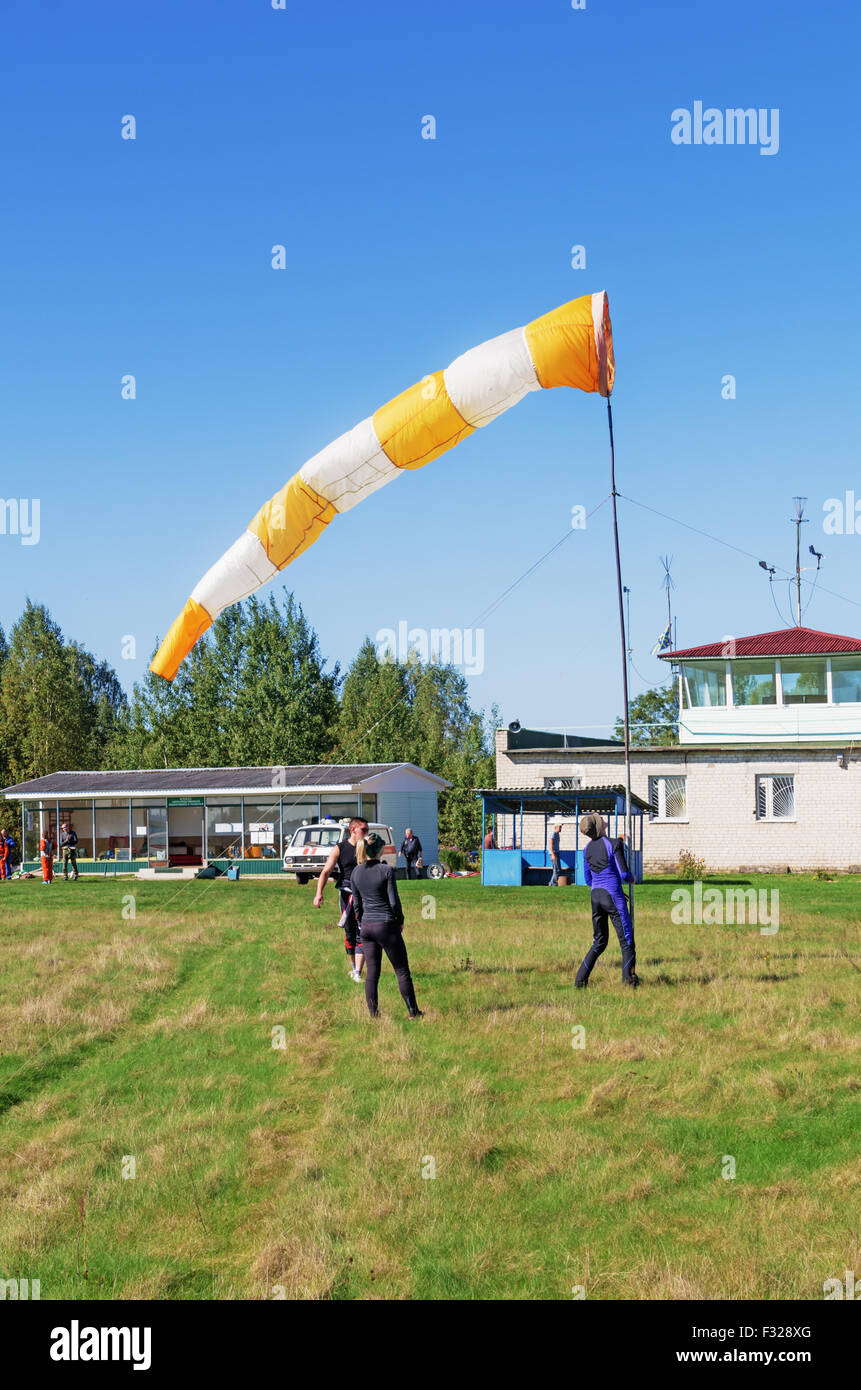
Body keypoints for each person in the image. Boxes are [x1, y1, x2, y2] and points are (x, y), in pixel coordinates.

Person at [351, 832, 422, 1019]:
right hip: (385, 924)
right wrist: (400, 921)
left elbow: (356, 905)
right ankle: (414, 1012)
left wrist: (361, 923)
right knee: (401, 970)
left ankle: (374, 1015)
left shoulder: (356, 872)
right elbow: (393, 902)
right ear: (380, 849)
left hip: (366, 926)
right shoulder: (386, 871)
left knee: (372, 973)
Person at [575, 813, 639, 988]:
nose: (602, 818)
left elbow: (588, 880)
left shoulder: (587, 849)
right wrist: (633, 878)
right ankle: (629, 981)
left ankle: (580, 980)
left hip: (596, 896)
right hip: (612, 896)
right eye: (599, 819)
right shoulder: (614, 844)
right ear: (599, 826)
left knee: (600, 941)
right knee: (626, 940)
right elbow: (624, 874)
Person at [314, 816, 368, 982]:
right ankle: (354, 968)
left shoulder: (368, 846)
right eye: (364, 830)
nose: (367, 834)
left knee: (363, 932)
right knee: (350, 932)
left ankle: (358, 972)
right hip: (346, 895)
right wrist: (318, 893)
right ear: (353, 830)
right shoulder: (340, 848)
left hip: (365, 895)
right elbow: (326, 871)